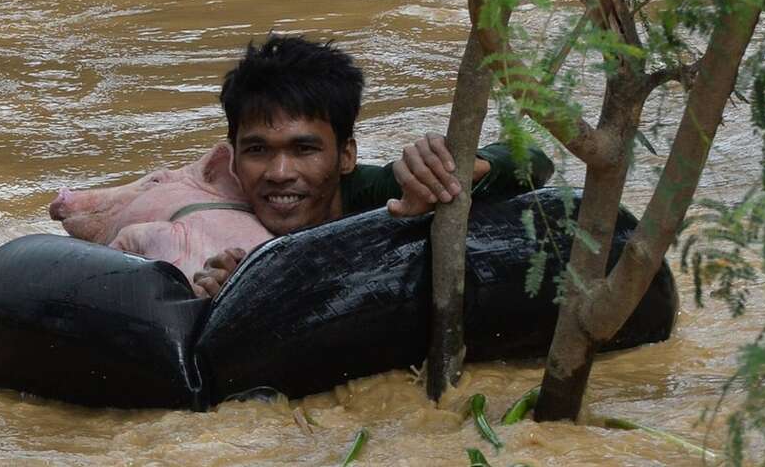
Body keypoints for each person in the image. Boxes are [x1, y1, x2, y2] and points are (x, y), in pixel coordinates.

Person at [190, 34, 553, 298]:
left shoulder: (381, 192)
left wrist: (462, 169)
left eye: (304, 148)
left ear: (346, 155)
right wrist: (223, 292)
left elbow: (535, 161)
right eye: (257, 149)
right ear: (232, 157)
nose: (280, 172)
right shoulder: (209, 212)